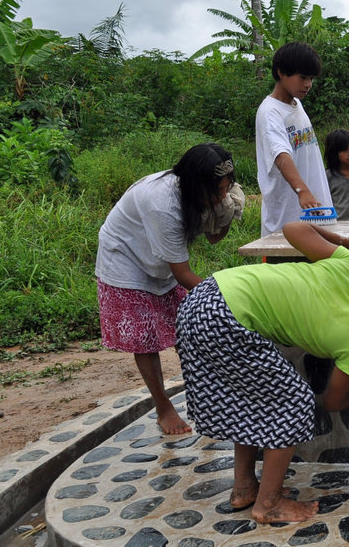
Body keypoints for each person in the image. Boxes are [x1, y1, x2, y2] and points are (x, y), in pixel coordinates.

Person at [176, 221, 349, 523]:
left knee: (250, 398)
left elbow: (294, 228)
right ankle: (268, 505)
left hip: (203, 298)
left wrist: (342, 242)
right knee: (295, 402)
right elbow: (333, 401)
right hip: (224, 319)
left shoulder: (348, 266)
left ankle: (244, 487)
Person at [95, 143, 243, 435]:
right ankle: (163, 408)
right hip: (126, 258)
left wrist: (227, 210)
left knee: (189, 327)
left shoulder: (201, 192)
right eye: (219, 190)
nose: (223, 194)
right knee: (146, 338)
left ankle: (207, 399)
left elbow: (214, 238)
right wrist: (230, 296)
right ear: (198, 184)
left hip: (159, 259)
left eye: (227, 188)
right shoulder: (162, 204)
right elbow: (184, 274)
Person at [256, 41, 334, 236]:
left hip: (314, 215)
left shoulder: (296, 104)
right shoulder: (270, 112)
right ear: (282, 72)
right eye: (302, 77)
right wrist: (302, 191)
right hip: (287, 224)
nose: (308, 84)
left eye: (311, 78)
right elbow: (281, 155)